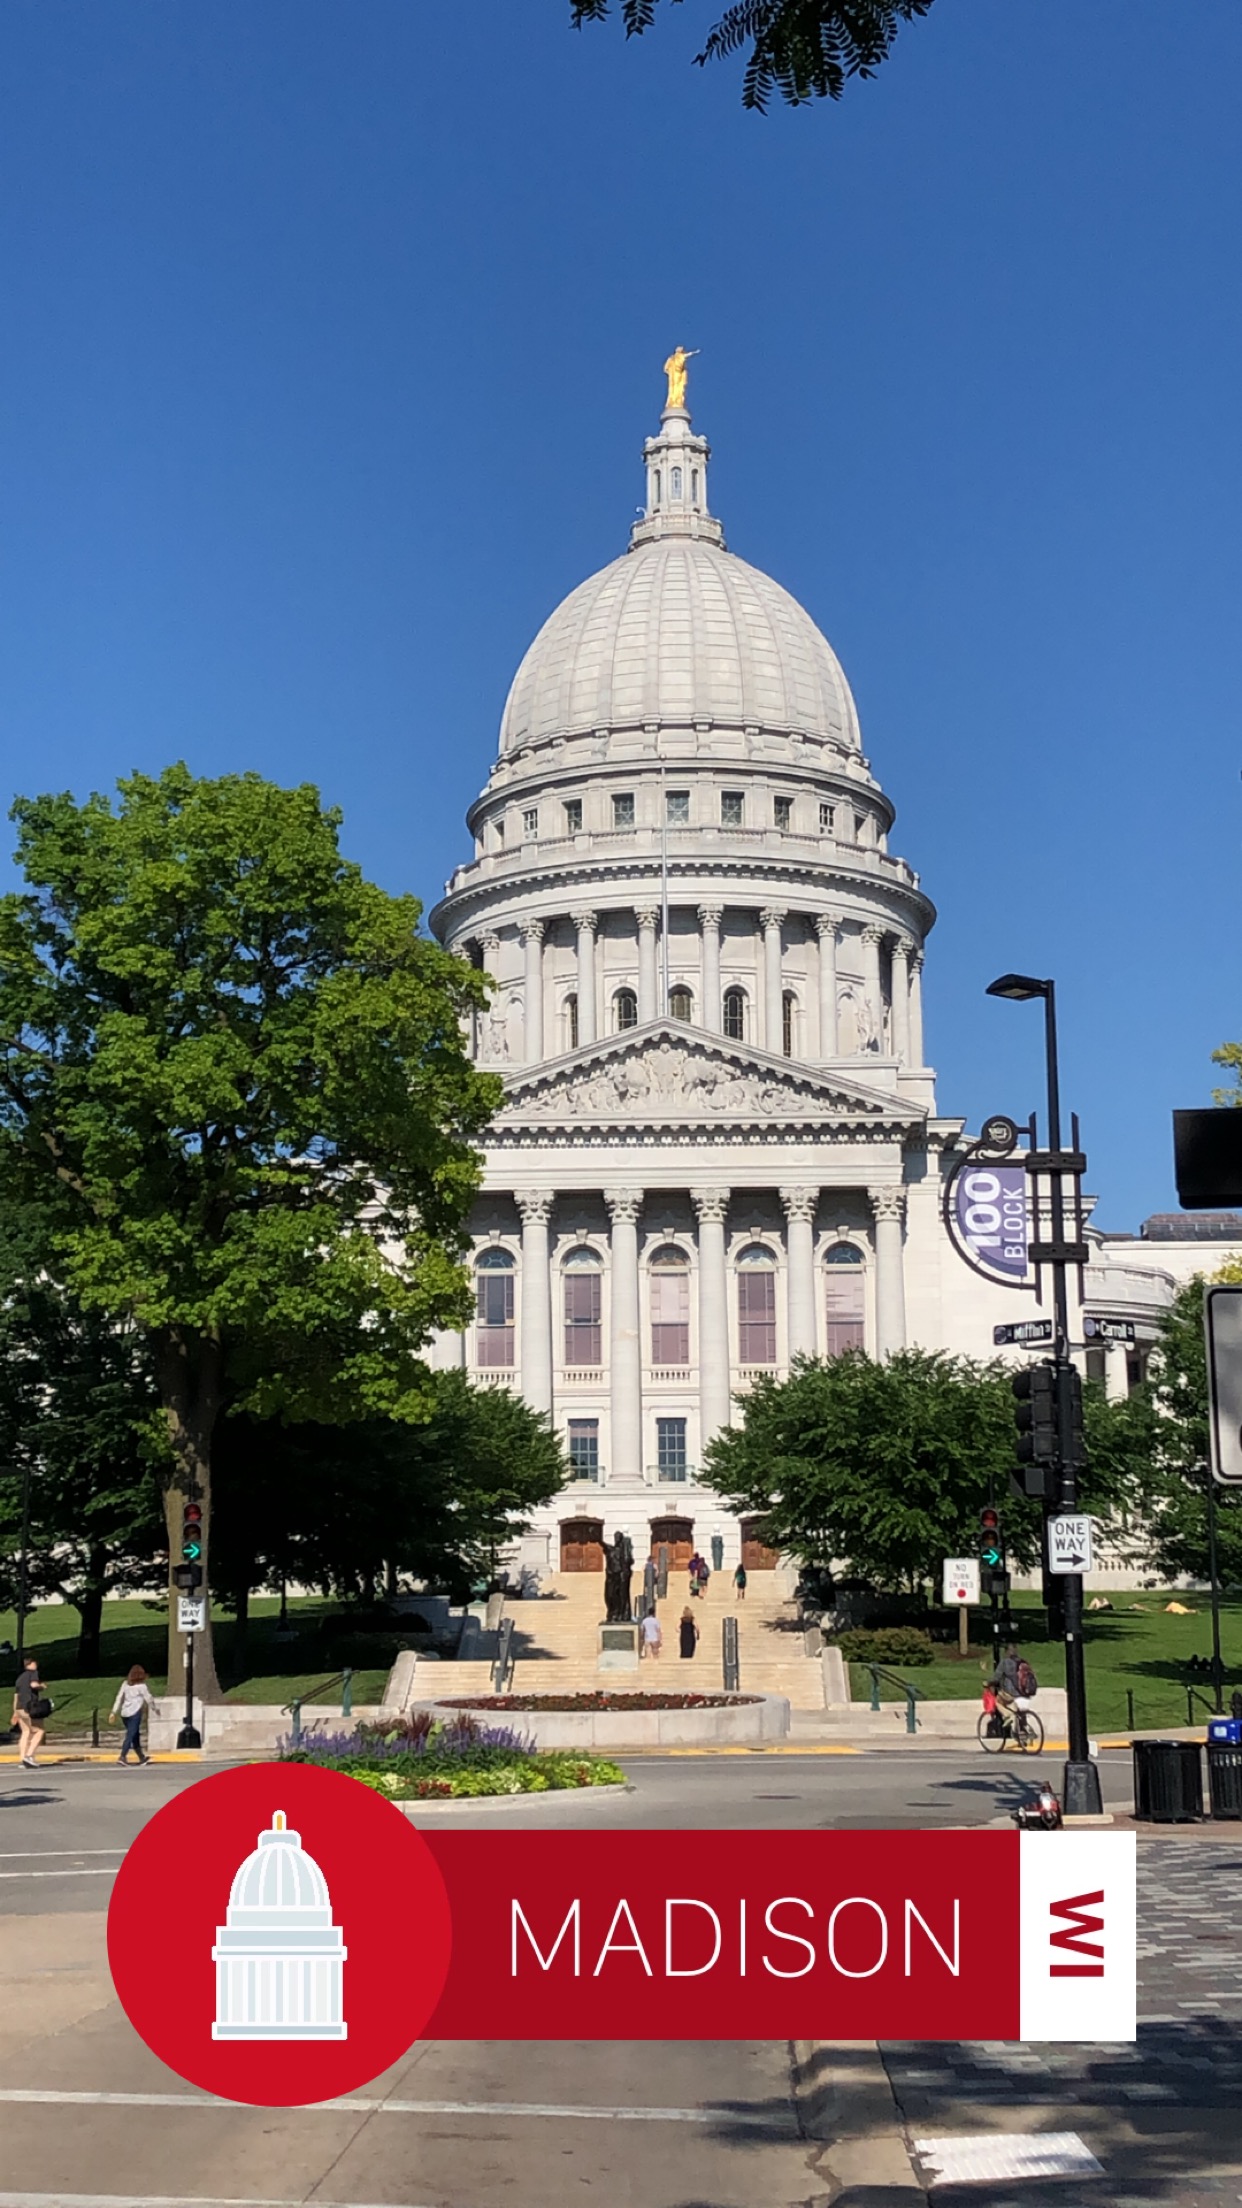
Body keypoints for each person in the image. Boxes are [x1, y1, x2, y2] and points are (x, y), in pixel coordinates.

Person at [111, 1665, 159, 1765]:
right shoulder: (142, 1687)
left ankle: (141, 1757)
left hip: (124, 1713)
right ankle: (123, 1756)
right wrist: (155, 1709)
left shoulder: (125, 1684)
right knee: (130, 1735)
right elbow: (149, 1699)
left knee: (134, 1735)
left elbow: (119, 1698)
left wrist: (114, 1712)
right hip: (135, 1713)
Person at [12, 1655, 47, 1768]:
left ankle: (22, 1758)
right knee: (39, 1731)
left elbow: (16, 1696)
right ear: (30, 1664)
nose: (36, 1665)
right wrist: (42, 1686)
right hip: (29, 1706)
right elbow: (34, 1685)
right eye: (35, 1663)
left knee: (26, 1732)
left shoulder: (19, 1678)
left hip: (19, 1707)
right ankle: (29, 1755)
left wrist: (15, 1712)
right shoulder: (33, 1673)